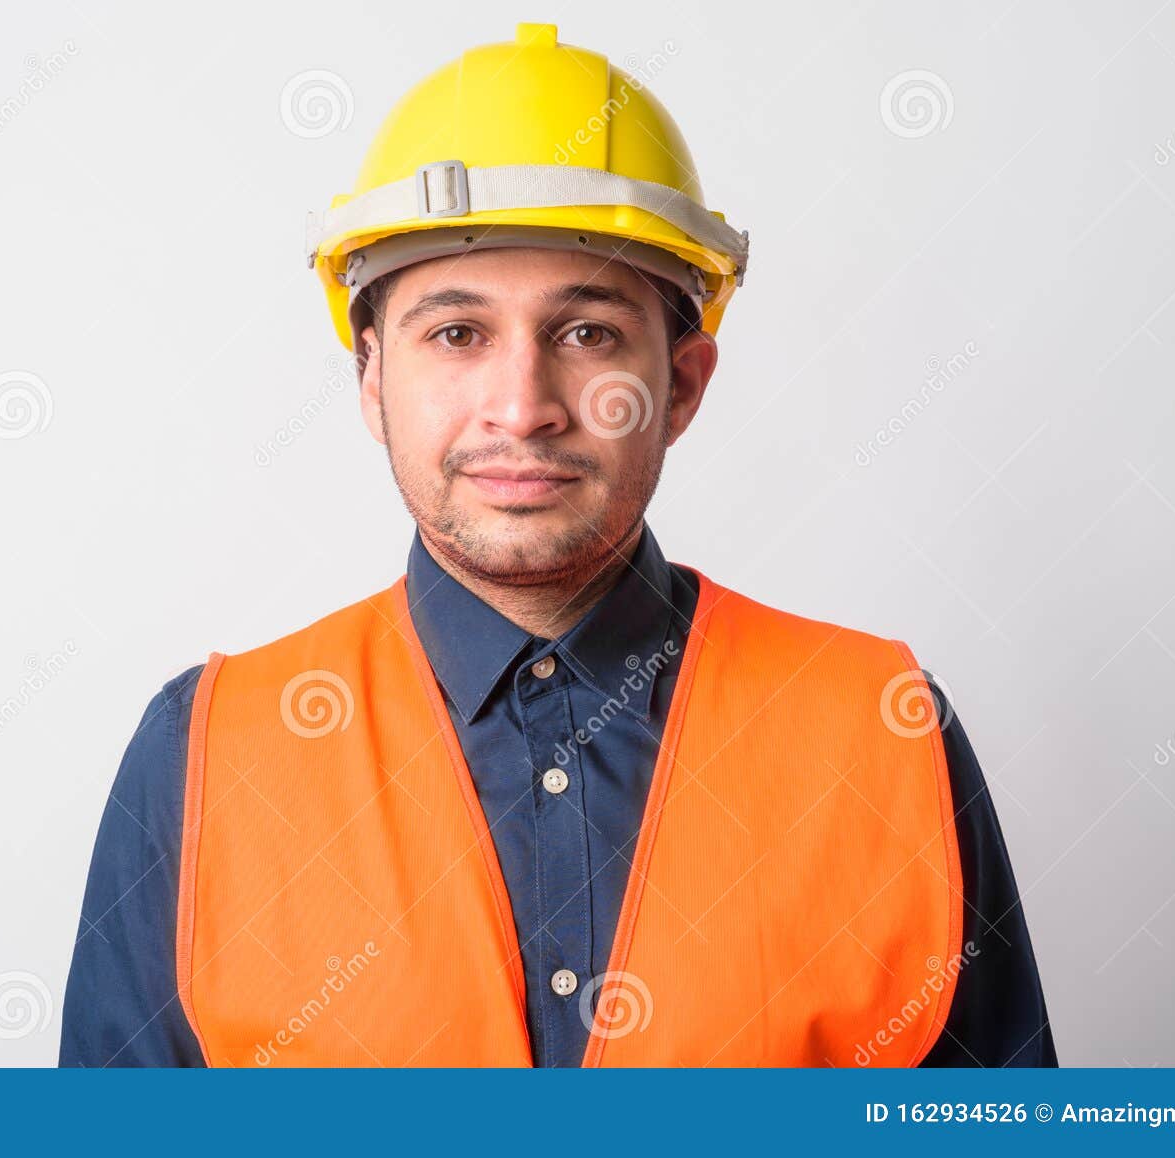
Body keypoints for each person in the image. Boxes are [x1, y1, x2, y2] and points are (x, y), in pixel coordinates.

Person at [60, 21, 1055, 1068]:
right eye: (456, 333)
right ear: (370, 382)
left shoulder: (881, 730)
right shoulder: (207, 754)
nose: (522, 407)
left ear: (683, 386)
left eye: (587, 334)